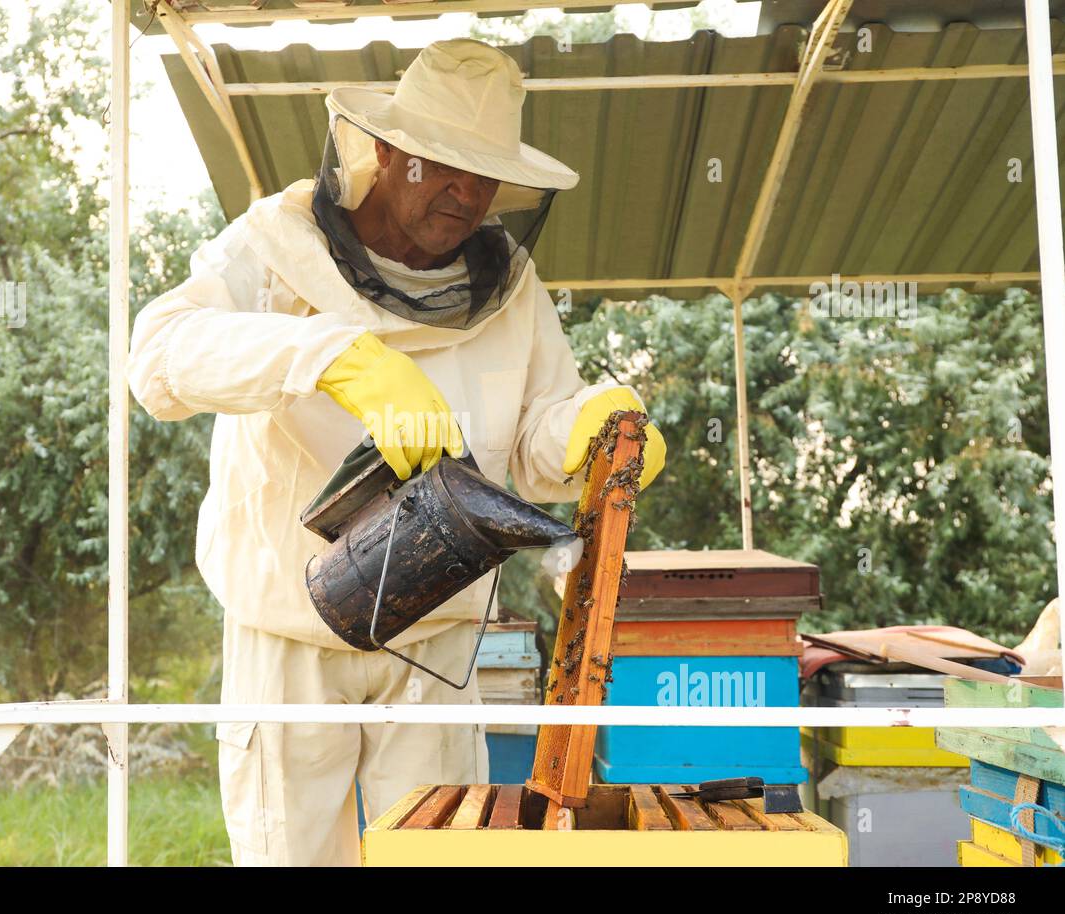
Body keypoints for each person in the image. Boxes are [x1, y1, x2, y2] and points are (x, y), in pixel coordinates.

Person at [127, 38, 667, 866]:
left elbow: (531, 444)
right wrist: (331, 359)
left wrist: (593, 426)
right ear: (386, 150)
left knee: (438, 859)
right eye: (444, 165)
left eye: (484, 172)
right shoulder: (278, 242)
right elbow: (158, 358)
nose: (466, 192)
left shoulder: (509, 286)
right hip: (291, 633)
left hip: (436, 640)